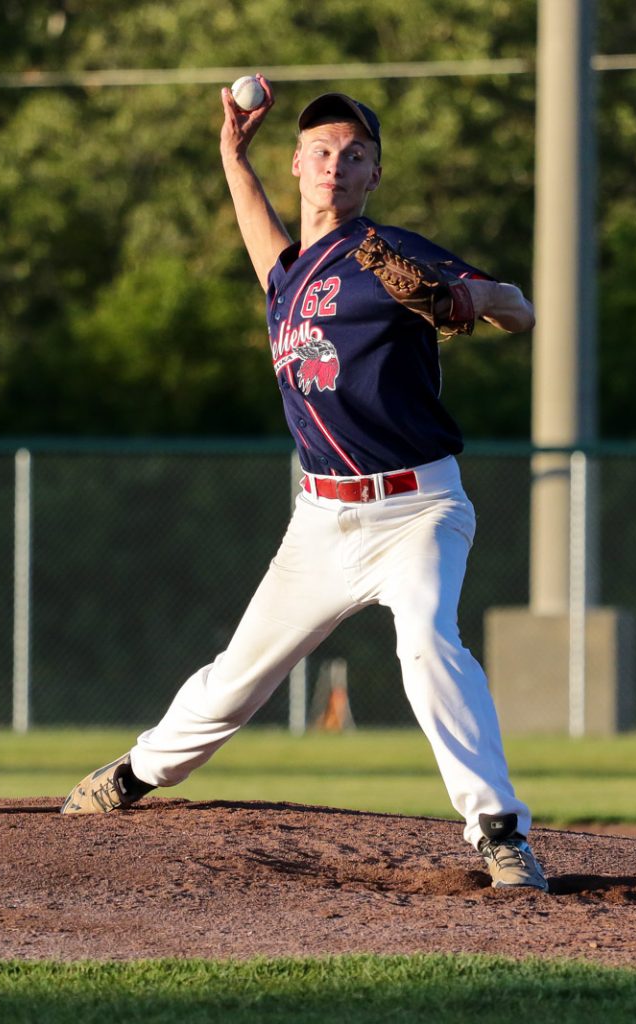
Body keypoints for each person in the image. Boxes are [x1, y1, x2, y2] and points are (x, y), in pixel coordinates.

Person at [61, 78, 547, 891]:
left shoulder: (391, 253)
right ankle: (138, 772)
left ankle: (500, 832)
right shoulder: (287, 276)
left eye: (355, 154)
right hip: (322, 520)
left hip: (417, 508)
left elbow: (520, 311)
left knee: (428, 640)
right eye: (322, 150)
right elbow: (265, 246)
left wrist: (471, 298)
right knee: (238, 677)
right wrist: (229, 153)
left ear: (372, 176)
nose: (336, 164)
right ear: (298, 165)